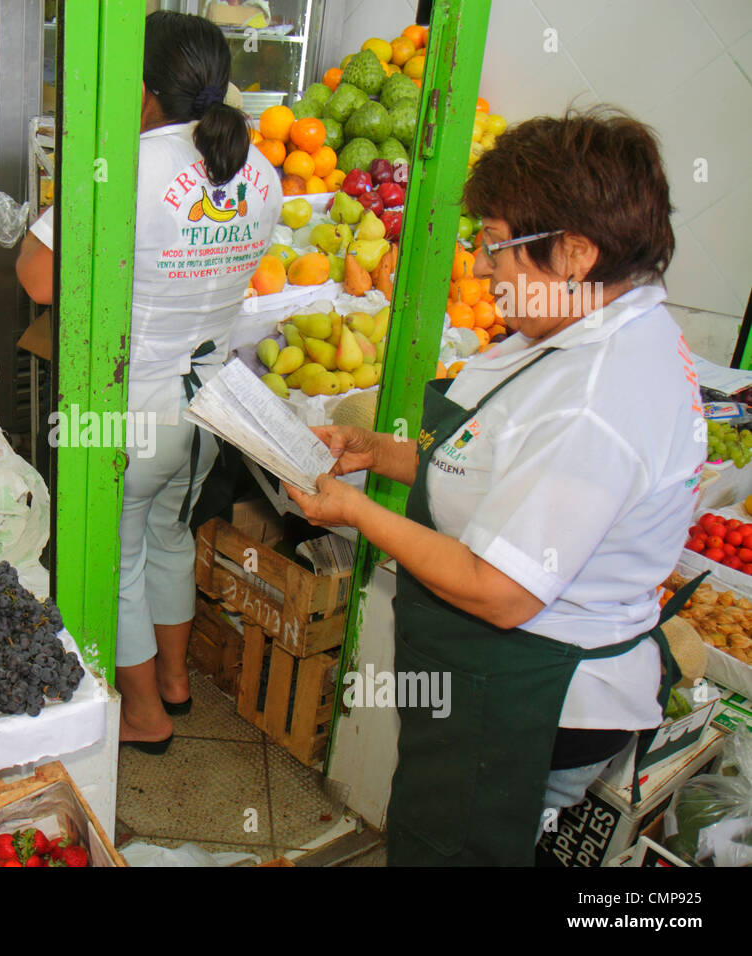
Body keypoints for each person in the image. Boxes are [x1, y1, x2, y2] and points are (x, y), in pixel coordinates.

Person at [284, 109, 702, 865]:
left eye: (497, 244)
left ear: (574, 253)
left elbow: (501, 589)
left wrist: (352, 511)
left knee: (456, 852)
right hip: (494, 680)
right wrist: (376, 452)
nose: (481, 267)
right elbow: (493, 459)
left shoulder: (597, 398)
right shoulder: (578, 337)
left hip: (529, 699)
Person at [17, 11, 282, 752]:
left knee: (118, 553)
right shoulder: (260, 169)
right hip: (209, 405)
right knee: (170, 538)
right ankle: (174, 681)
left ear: (141, 90)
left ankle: (143, 715)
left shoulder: (124, 169)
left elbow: (36, 279)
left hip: (128, 410)